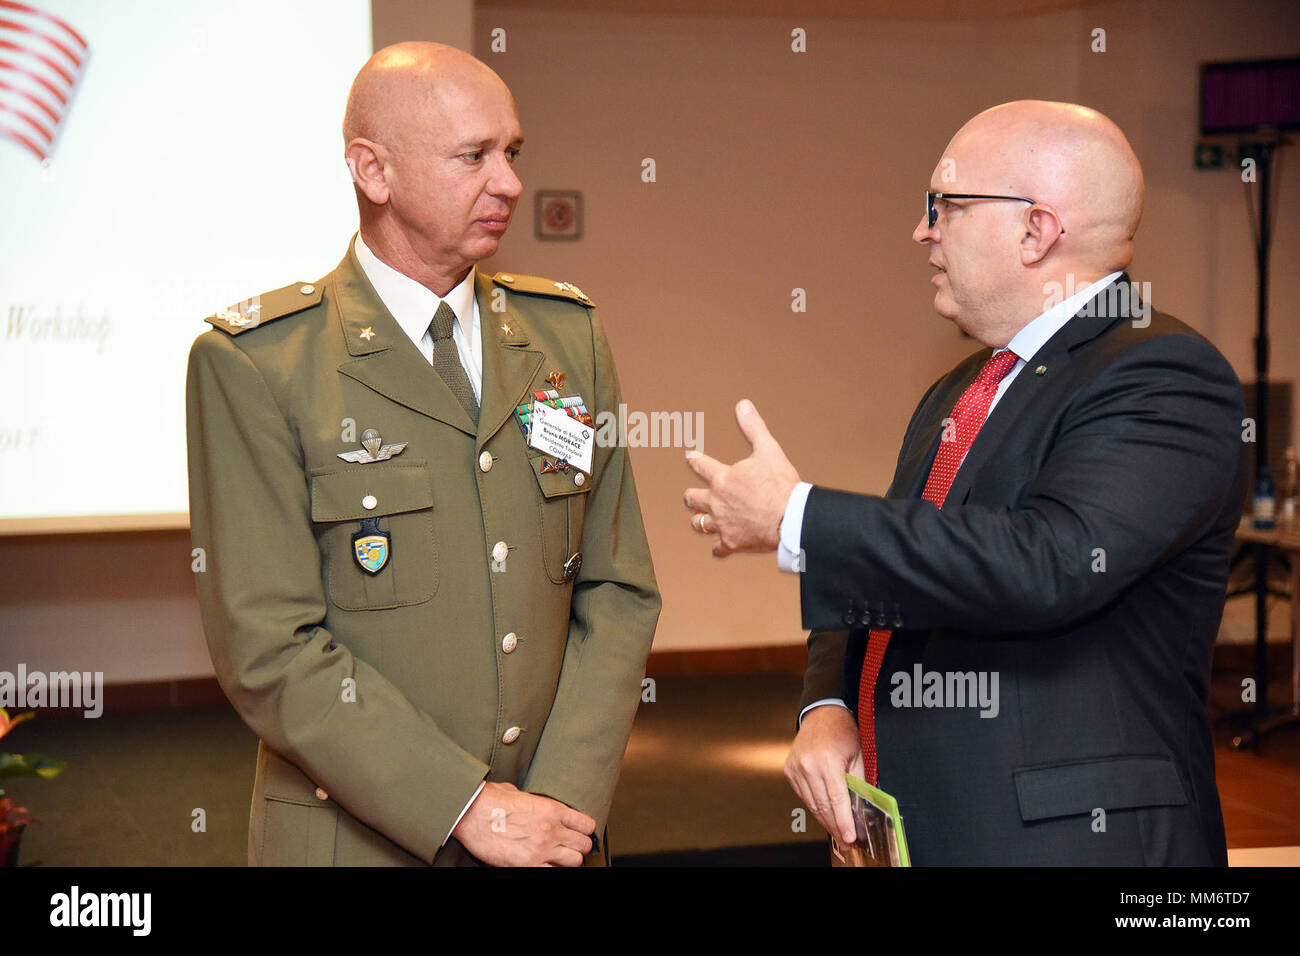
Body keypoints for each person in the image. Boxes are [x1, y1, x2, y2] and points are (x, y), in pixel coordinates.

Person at [684, 101, 1244, 865]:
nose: (923, 231)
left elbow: (1049, 562)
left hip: (1073, 841)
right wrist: (828, 703)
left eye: (945, 205)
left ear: (1035, 230)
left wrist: (796, 517)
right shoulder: (967, 385)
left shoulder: (1161, 371)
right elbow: (898, 570)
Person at [186, 42, 661, 867]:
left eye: (512, 152)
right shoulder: (259, 363)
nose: (510, 182)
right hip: (354, 840)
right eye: (473, 156)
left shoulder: (566, 336)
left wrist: (559, 800)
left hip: (552, 838)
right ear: (373, 171)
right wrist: (464, 805)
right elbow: (270, 647)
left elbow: (616, 587)